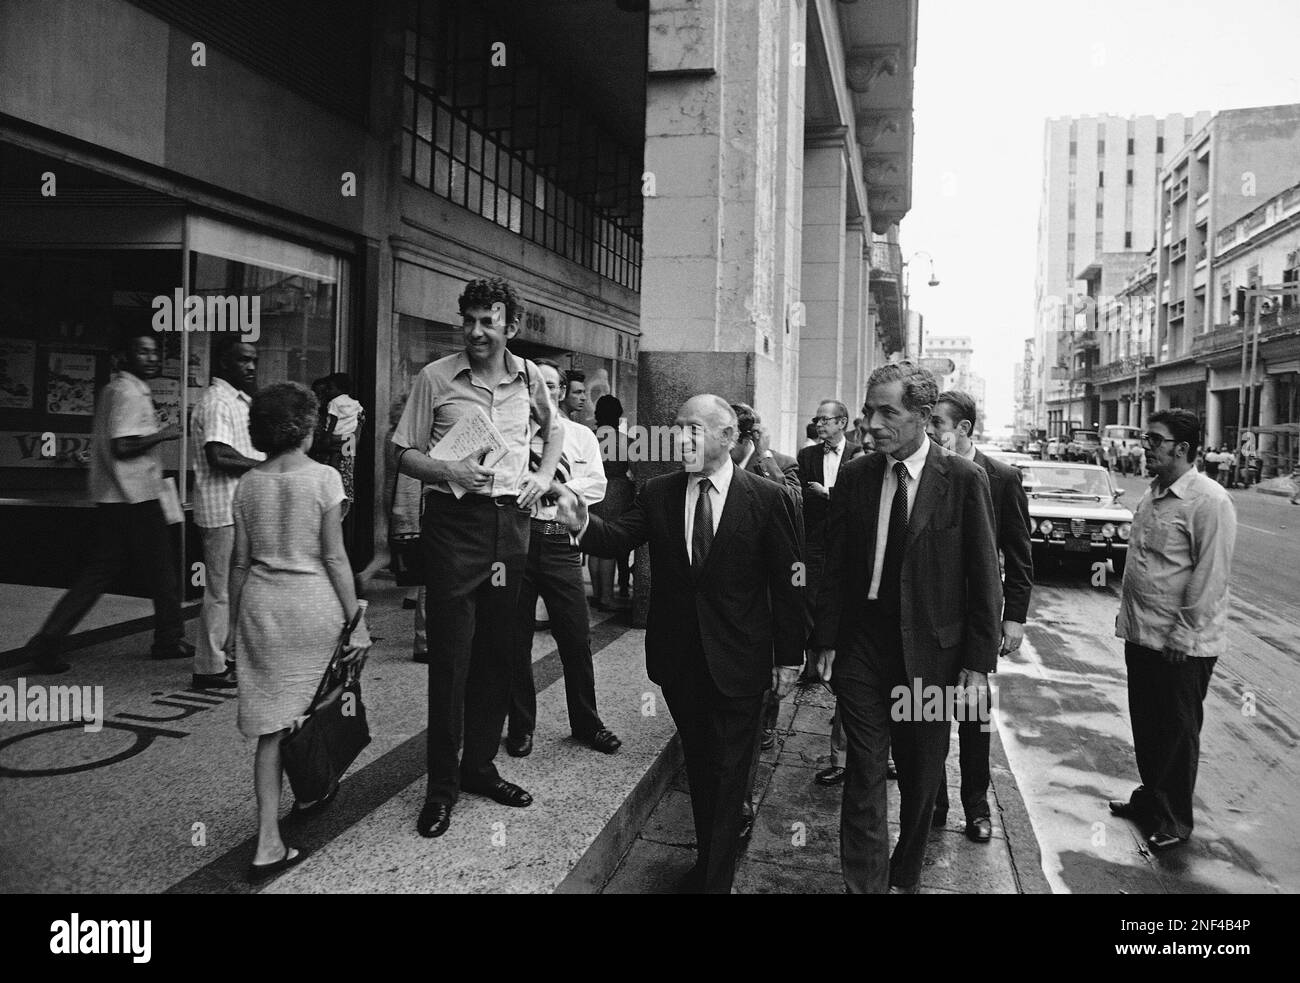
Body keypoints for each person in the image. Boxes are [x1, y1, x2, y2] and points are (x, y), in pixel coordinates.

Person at [555, 395, 806, 893]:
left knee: (729, 773)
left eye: (693, 428)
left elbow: (789, 581)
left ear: (728, 437)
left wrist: (790, 656)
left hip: (741, 658)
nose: (680, 438)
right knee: (702, 766)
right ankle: (710, 860)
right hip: (680, 659)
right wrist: (581, 523)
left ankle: (714, 881)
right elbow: (617, 537)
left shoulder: (766, 497)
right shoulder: (660, 492)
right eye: (676, 428)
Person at [811, 363, 1002, 894]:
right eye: (868, 411)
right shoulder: (856, 476)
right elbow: (834, 563)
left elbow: (984, 576)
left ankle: (905, 876)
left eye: (886, 412)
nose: (872, 424)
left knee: (920, 776)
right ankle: (866, 885)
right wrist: (824, 638)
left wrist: (977, 665)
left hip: (930, 657)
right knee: (865, 770)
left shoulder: (963, 480)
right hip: (863, 647)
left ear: (921, 415)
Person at [393, 276, 562, 839]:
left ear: (511, 325)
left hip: (509, 525)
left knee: (498, 651)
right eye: (468, 320)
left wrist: (543, 475)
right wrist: (451, 471)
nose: (475, 331)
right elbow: (402, 453)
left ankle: (480, 768)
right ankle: (440, 787)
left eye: (488, 321)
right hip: (453, 525)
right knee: (450, 659)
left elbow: (554, 430)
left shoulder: (531, 377)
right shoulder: (435, 377)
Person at [230, 382, 372, 882]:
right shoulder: (325, 479)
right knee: (317, 705)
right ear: (307, 428)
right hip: (313, 607)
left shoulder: (247, 484)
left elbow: (239, 563)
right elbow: (334, 556)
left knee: (272, 728)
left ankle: (268, 841)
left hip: (261, 609)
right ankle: (314, 787)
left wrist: (231, 627)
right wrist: (356, 619)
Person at [24, 330, 190, 674]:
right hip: (136, 497)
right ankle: (168, 639)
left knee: (100, 572)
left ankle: (48, 641)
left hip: (115, 496)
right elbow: (122, 446)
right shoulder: (129, 393)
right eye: (142, 351)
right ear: (124, 357)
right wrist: (164, 433)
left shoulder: (115, 389)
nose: (152, 357)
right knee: (162, 571)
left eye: (154, 351)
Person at [1109, 409, 1236, 852]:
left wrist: (1184, 630)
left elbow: (1211, 574)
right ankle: (1150, 799)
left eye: (1154, 440)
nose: (1145, 447)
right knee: (1146, 724)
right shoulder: (1154, 493)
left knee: (1176, 732)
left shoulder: (1209, 500)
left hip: (1181, 644)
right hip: (1143, 634)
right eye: (1146, 439)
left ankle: (1175, 819)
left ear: (1182, 448)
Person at [928, 390, 1033, 843]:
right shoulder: (924, 469)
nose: (929, 430)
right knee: (926, 712)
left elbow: (1019, 553)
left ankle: (976, 807)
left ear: (964, 428)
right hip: (931, 617)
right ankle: (934, 803)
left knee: (973, 717)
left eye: (937, 422)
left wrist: (1014, 617)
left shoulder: (1001, 477)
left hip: (976, 620)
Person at [506, 358, 621, 758]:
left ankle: (587, 723)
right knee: (515, 639)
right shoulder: (511, 434)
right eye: (535, 384)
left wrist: (555, 485)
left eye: (552, 385)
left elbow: (598, 485)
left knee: (575, 636)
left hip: (559, 540)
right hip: (517, 541)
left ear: (559, 392)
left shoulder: (581, 436)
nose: (544, 391)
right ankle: (520, 726)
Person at [190, 337, 264, 690]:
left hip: (237, 507)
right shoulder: (217, 401)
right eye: (242, 360)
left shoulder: (239, 400)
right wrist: (265, 467)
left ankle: (229, 653)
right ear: (222, 363)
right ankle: (208, 666)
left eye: (253, 360)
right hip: (221, 508)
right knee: (219, 590)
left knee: (238, 587)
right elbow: (218, 455)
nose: (250, 367)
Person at [798, 400, 865, 789]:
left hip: (849, 548)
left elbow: (856, 501)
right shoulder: (807, 456)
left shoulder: (858, 456)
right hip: (815, 544)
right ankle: (814, 659)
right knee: (811, 600)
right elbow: (801, 498)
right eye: (817, 419)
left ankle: (876, 753)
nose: (819, 424)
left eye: (825, 419)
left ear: (842, 423)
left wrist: (829, 493)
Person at [589, 394, 634, 610]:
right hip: (617, 491)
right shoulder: (625, 440)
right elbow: (636, 470)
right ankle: (607, 597)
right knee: (608, 545)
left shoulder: (589, 437)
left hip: (593, 490)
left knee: (594, 545)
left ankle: (598, 594)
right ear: (618, 415)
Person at [732, 402, 801, 503]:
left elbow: (791, 503)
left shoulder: (783, 464)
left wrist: (764, 456)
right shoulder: (715, 464)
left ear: (747, 438)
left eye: (729, 440)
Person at [324, 372, 365, 520]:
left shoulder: (334, 403)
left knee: (335, 468)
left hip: (337, 438)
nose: (328, 392)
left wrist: (328, 436)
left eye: (330, 388)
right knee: (346, 468)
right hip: (349, 439)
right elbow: (360, 419)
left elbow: (333, 421)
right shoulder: (356, 404)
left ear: (338, 389)